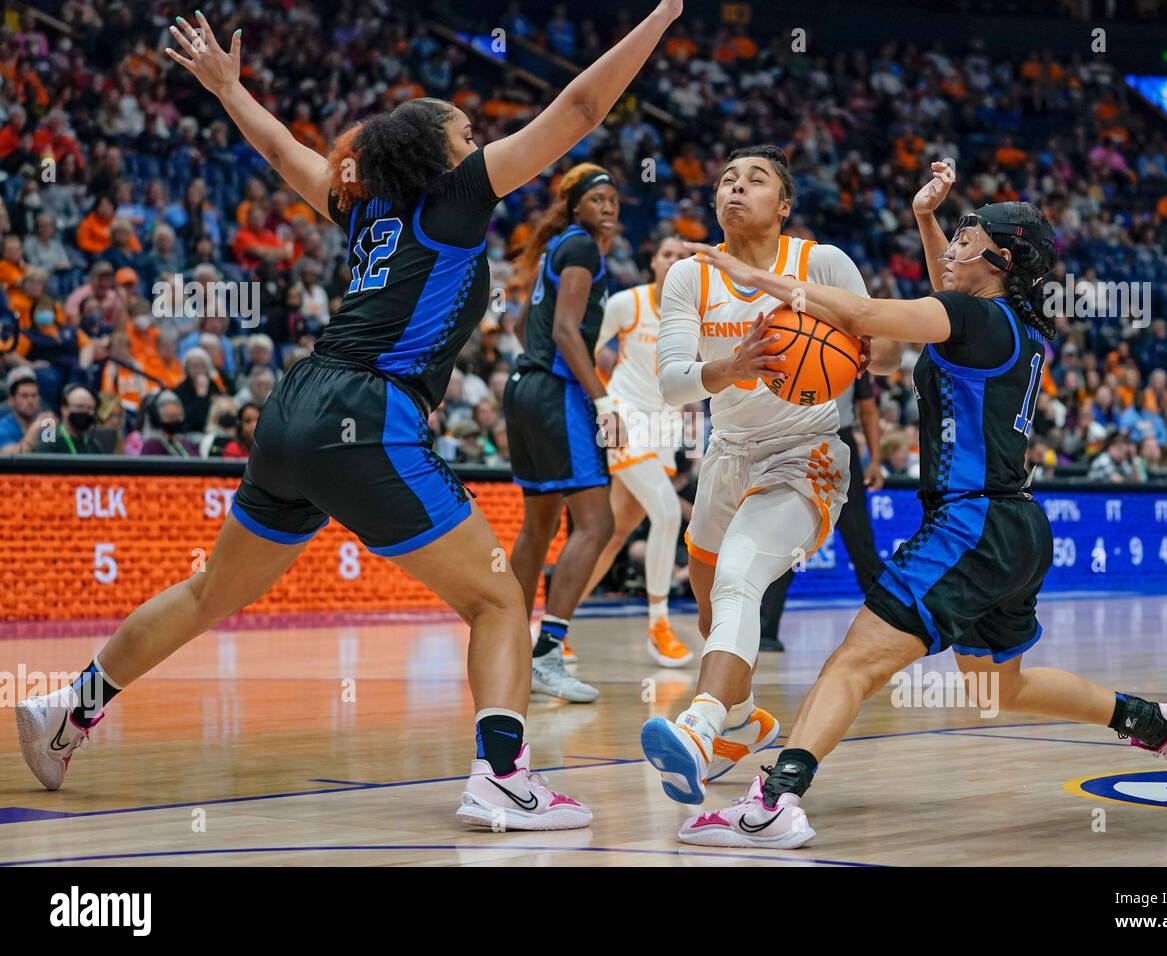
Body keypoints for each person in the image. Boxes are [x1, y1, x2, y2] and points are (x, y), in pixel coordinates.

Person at [16, 4, 685, 834]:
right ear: (438, 152)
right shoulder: (456, 197)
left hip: (296, 405)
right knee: (499, 600)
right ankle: (503, 778)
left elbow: (280, 152)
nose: (479, 138)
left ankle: (67, 707)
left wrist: (228, 88)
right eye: (468, 130)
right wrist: (661, 13)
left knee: (210, 591)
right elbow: (580, 109)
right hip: (368, 412)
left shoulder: (364, 212)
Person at [676, 164, 1167, 848]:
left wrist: (755, 277)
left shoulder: (968, 317)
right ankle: (1162, 726)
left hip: (969, 524)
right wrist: (926, 220)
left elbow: (864, 316)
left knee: (853, 663)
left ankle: (775, 802)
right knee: (1001, 688)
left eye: (964, 240)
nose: (950, 250)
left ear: (1001, 259)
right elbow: (948, 300)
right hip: (1017, 528)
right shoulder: (1010, 324)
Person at [638, 144, 902, 804]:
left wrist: (860, 346)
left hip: (806, 451)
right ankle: (744, 719)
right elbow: (672, 384)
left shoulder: (821, 262)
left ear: (783, 205)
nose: (735, 187)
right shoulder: (691, 274)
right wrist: (732, 368)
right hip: (728, 452)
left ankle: (699, 729)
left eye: (755, 180)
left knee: (739, 576)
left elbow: (890, 357)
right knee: (710, 601)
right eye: (727, 179)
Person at [503, 162, 623, 703]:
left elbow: (519, 323)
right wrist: (603, 400)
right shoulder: (582, 248)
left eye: (613, 199)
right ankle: (548, 653)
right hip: (557, 394)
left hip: (522, 388)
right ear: (575, 207)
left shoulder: (557, 247)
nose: (608, 206)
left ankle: (508, 648)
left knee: (539, 526)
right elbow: (564, 331)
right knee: (598, 523)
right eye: (597, 199)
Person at [576, 234, 694, 667]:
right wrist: (603, 404)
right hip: (624, 420)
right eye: (667, 254)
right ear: (653, 261)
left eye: (683, 257)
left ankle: (550, 627)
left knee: (612, 535)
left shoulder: (698, 315)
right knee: (667, 513)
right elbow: (581, 349)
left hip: (664, 429)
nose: (674, 261)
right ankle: (659, 626)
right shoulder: (628, 303)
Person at [758, 374, 885, 651]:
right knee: (787, 542)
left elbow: (867, 408)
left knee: (861, 543)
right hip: (795, 442)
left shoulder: (855, 353)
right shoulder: (786, 350)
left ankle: (889, 625)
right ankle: (764, 629)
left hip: (841, 442)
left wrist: (875, 461)